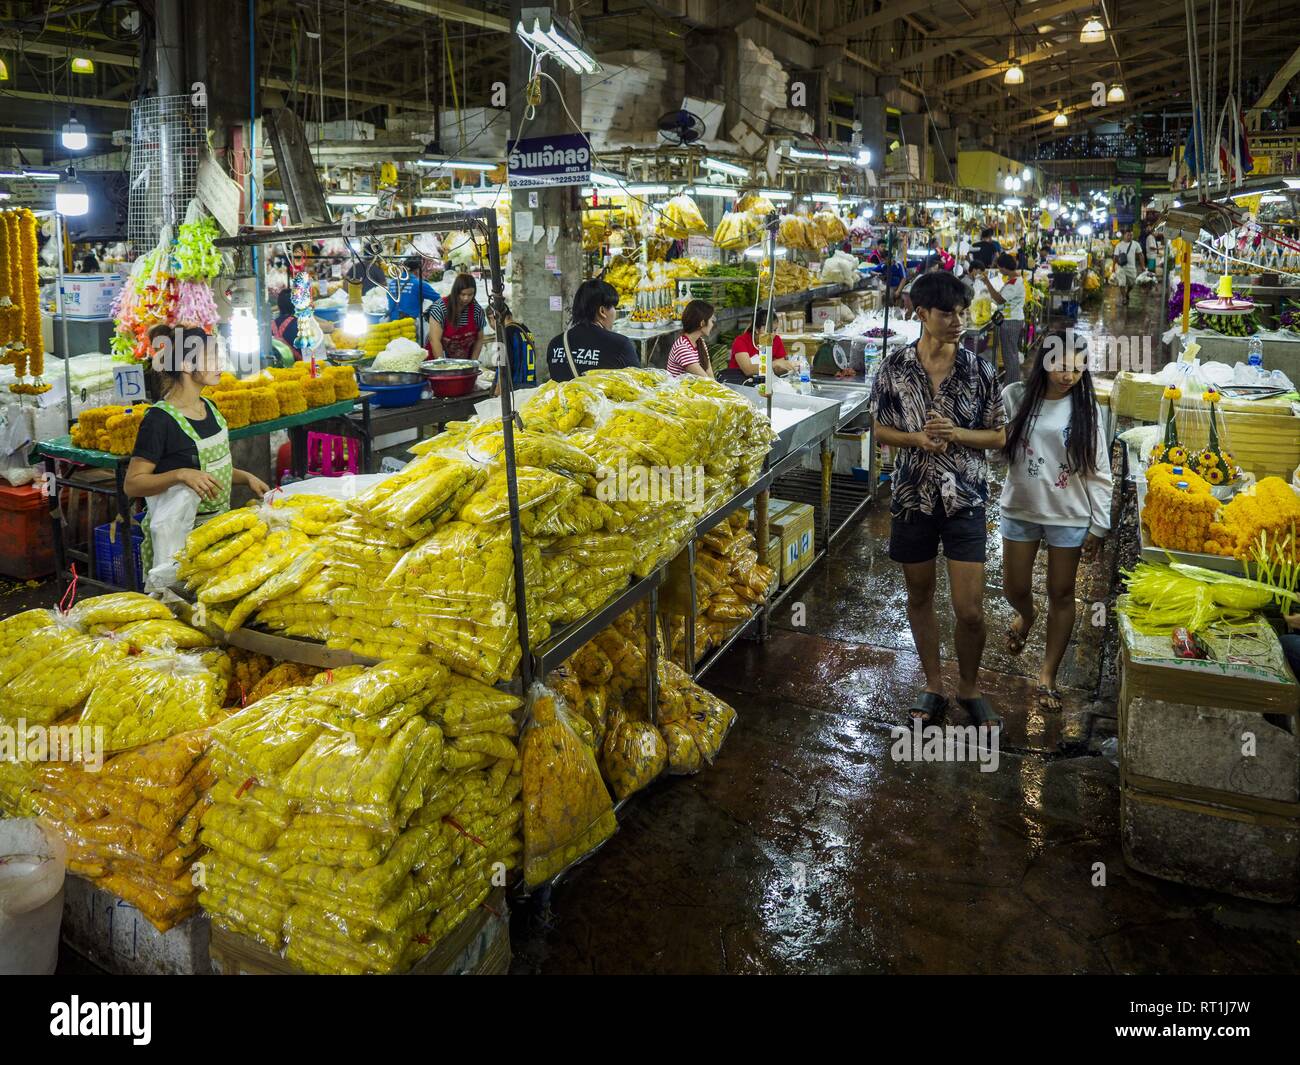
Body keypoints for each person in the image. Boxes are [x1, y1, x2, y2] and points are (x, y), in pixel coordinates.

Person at [869, 271, 1006, 728]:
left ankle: (969, 686)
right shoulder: (894, 367)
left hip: (965, 498)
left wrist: (957, 434)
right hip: (912, 498)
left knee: (969, 609)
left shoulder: (980, 370)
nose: (959, 320)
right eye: (948, 312)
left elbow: (999, 434)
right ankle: (933, 684)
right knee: (919, 594)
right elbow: (881, 429)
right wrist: (916, 440)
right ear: (922, 313)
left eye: (963, 312)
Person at [1001, 332, 1112, 712]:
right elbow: (998, 451)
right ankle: (1026, 615)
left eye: (1078, 367)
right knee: (1014, 587)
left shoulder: (1087, 409)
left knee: (1061, 592)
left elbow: (1099, 470)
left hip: (1069, 512)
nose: (1069, 375)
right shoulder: (1015, 397)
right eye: (1062, 366)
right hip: (1020, 506)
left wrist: (1100, 524)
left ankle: (1047, 674)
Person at [125, 325, 270, 574]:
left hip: (218, 531)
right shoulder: (159, 420)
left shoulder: (210, 408)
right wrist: (179, 474)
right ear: (185, 364)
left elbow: (208, 470)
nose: (220, 364)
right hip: (180, 539)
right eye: (211, 357)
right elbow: (133, 484)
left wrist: (246, 477)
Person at [545, 278, 639, 380]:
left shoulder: (555, 344)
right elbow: (639, 387)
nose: (614, 312)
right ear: (602, 311)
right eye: (613, 307)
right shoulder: (620, 345)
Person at [980, 253, 1027, 383]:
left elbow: (1000, 300)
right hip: (1011, 319)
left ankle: (1011, 384)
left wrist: (987, 283)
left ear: (1005, 267)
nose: (999, 270)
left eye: (1000, 267)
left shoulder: (1014, 282)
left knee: (1009, 355)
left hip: (1011, 321)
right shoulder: (1013, 279)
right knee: (1010, 353)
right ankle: (1012, 382)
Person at [428, 272, 486, 362]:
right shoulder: (440, 308)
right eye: (463, 294)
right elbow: (434, 340)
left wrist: (473, 362)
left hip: (464, 362)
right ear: (456, 292)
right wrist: (442, 366)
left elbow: (480, 338)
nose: (466, 298)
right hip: (437, 359)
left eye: (470, 294)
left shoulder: (477, 310)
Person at [485, 300, 537, 390]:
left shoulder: (504, 333)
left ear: (493, 318)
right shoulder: (525, 330)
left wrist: (497, 389)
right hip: (531, 385)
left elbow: (502, 365)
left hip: (515, 388)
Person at [727, 308, 790, 379]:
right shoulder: (740, 341)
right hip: (739, 381)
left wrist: (788, 366)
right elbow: (748, 370)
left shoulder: (776, 340)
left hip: (763, 382)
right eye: (768, 330)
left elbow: (780, 366)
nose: (772, 334)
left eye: (774, 330)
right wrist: (773, 364)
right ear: (757, 329)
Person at [666, 299, 717, 379]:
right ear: (702, 323)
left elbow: (709, 374)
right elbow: (706, 381)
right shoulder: (682, 348)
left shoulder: (700, 342)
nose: (712, 324)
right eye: (711, 320)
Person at [387, 255, 442, 326]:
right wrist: (429, 314)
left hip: (391, 325)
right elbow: (439, 300)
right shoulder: (419, 284)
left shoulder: (392, 283)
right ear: (417, 270)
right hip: (410, 326)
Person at [1114, 229, 1143, 304]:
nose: (1130, 237)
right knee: (1121, 283)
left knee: (1132, 283)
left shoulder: (1136, 244)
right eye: (1128, 235)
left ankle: (1127, 293)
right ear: (1124, 235)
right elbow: (1115, 257)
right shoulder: (1119, 245)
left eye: (1131, 235)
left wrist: (1143, 266)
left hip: (1132, 267)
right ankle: (1124, 297)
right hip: (1121, 267)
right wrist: (1114, 267)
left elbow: (1140, 255)